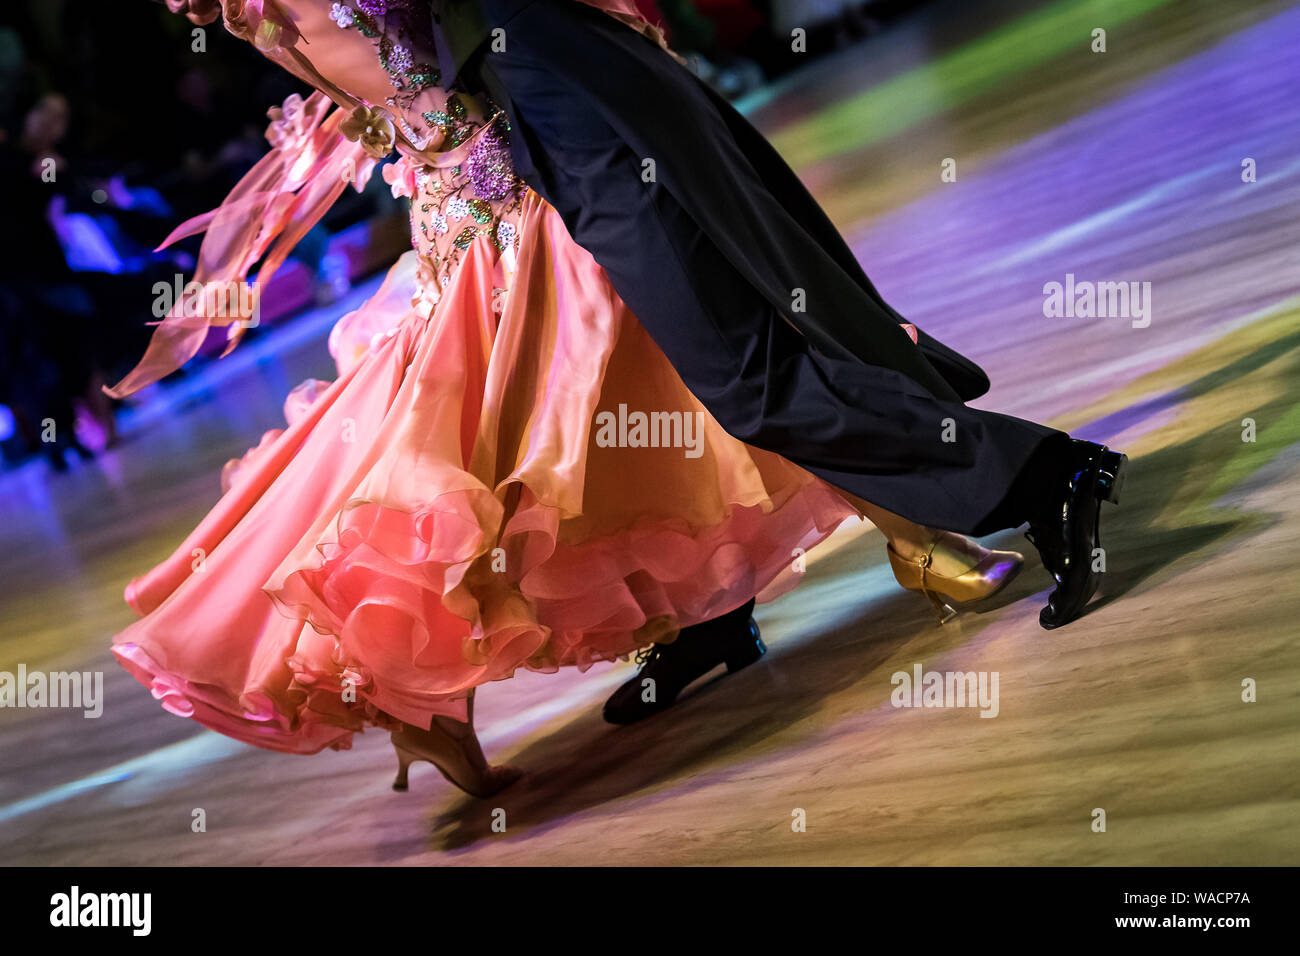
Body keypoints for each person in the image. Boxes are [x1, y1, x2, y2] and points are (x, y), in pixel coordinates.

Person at [115, 0, 1024, 796]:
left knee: (564, 428)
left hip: (495, 190)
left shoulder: (234, 8)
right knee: (629, 404)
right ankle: (909, 541)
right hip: (517, 193)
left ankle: (471, 708)